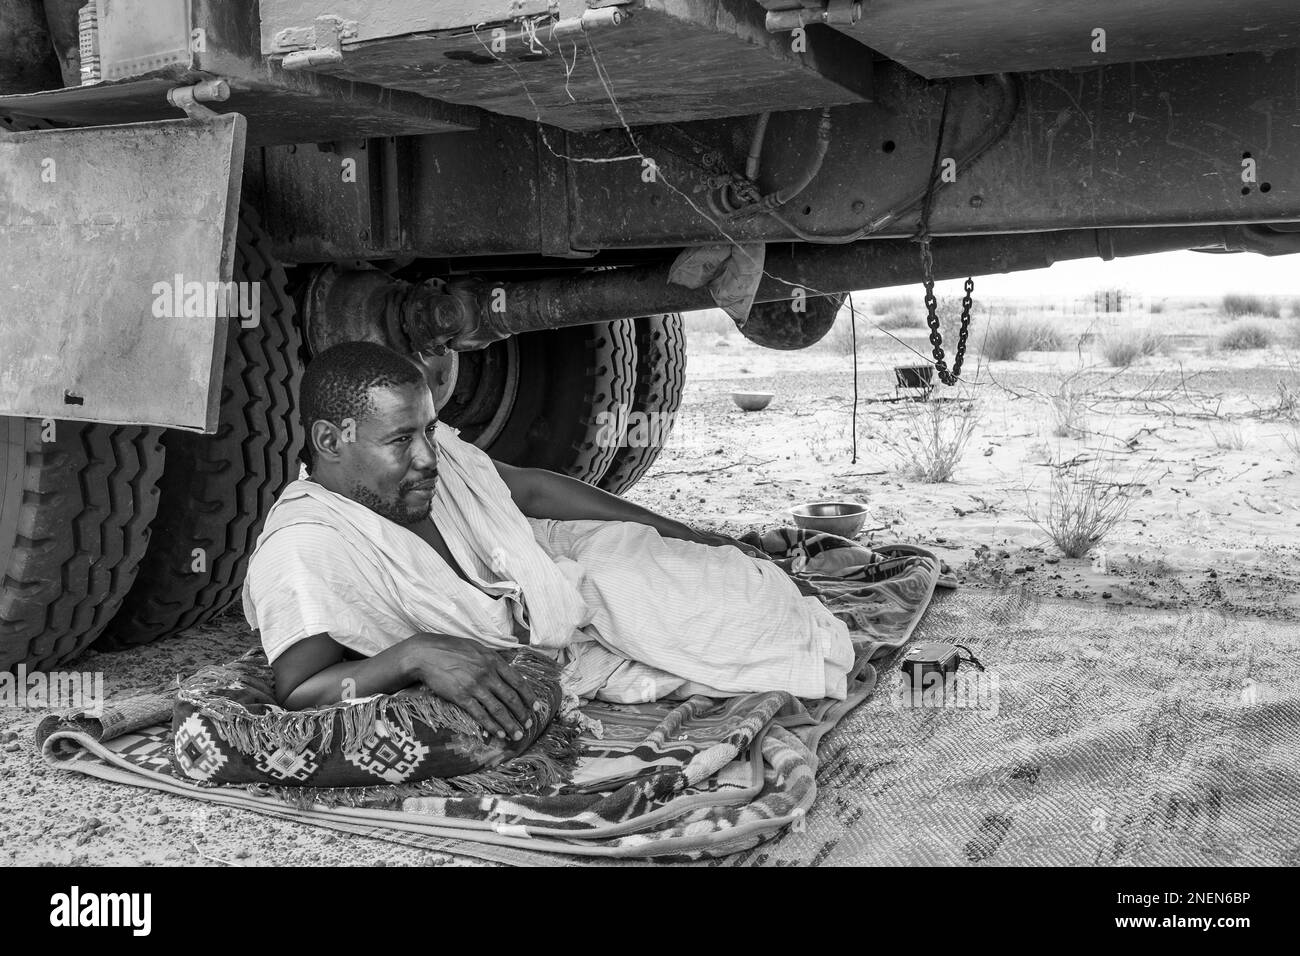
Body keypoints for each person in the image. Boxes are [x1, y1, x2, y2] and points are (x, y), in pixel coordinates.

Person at [242, 342, 854, 740]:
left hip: (562, 567)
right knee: (767, 640)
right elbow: (299, 691)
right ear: (329, 440)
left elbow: (527, 491)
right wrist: (413, 655)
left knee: (758, 604)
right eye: (402, 441)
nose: (430, 457)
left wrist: (679, 530)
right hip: (561, 618)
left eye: (430, 429)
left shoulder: (430, 458)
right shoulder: (304, 548)